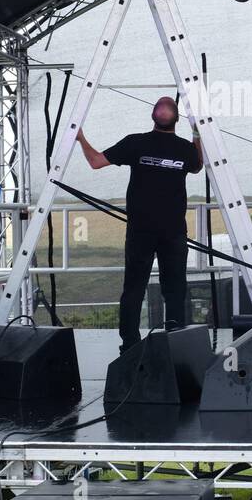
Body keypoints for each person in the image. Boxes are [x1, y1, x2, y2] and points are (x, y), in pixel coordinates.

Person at [76, 96, 203, 353]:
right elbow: (198, 166)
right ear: (176, 120)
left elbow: (95, 162)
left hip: (140, 231)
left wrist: (80, 138)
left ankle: (130, 346)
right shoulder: (185, 150)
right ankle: (176, 343)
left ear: (152, 117)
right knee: (175, 289)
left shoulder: (136, 143)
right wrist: (196, 133)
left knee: (133, 289)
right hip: (173, 232)